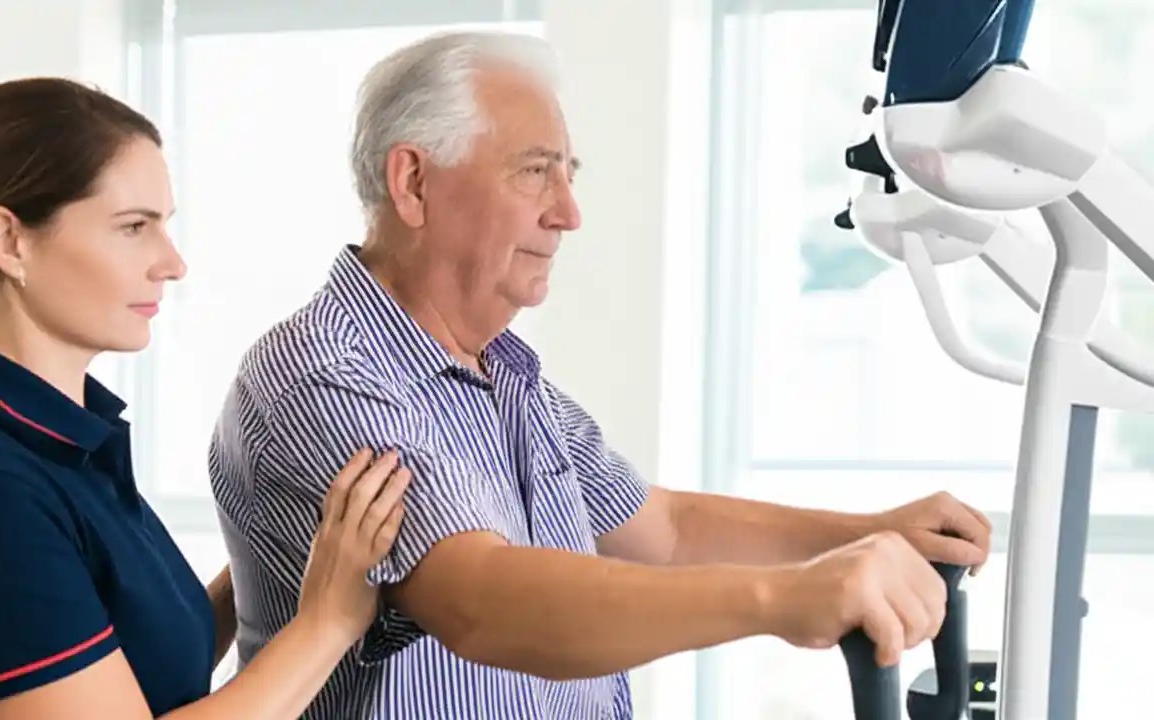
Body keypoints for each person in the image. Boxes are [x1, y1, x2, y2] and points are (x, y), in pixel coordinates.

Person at [209, 31, 994, 719]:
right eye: (534, 173)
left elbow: (663, 530)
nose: (568, 212)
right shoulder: (326, 377)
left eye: (568, 173)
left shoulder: (508, 381)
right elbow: (479, 602)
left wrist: (871, 533)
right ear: (413, 183)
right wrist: (787, 598)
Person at [0, 77, 410, 720]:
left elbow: (142, 666)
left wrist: (285, 557)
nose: (172, 262)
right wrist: (327, 623)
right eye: (133, 227)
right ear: (10, 241)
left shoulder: (61, 444)